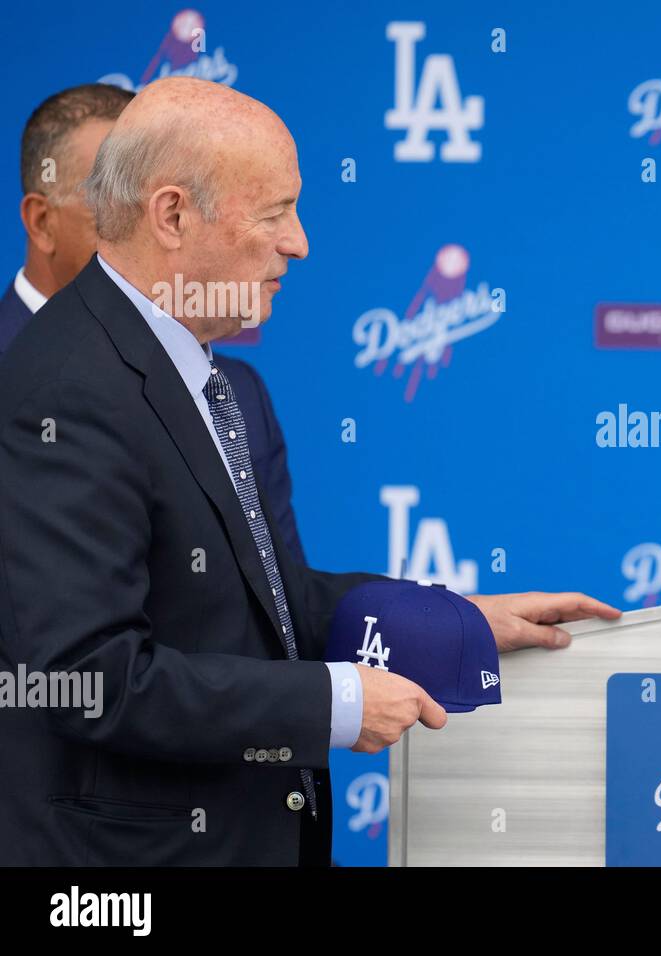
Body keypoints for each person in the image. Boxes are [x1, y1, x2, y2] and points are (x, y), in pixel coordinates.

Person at [0, 76, 619, 866]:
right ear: (172, 214)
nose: (300, 242)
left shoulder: (203, 372)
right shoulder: (67, 387)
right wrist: (335, 701)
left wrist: (452, 621)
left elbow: (262, 608)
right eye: (274, 213)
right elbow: (90, 678)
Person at [2, 82, 307, 561]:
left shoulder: (234, 393)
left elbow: (279, 613)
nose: (127, 228)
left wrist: (440, 618)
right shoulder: (33, 385)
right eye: (105, 207)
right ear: (41, 223)